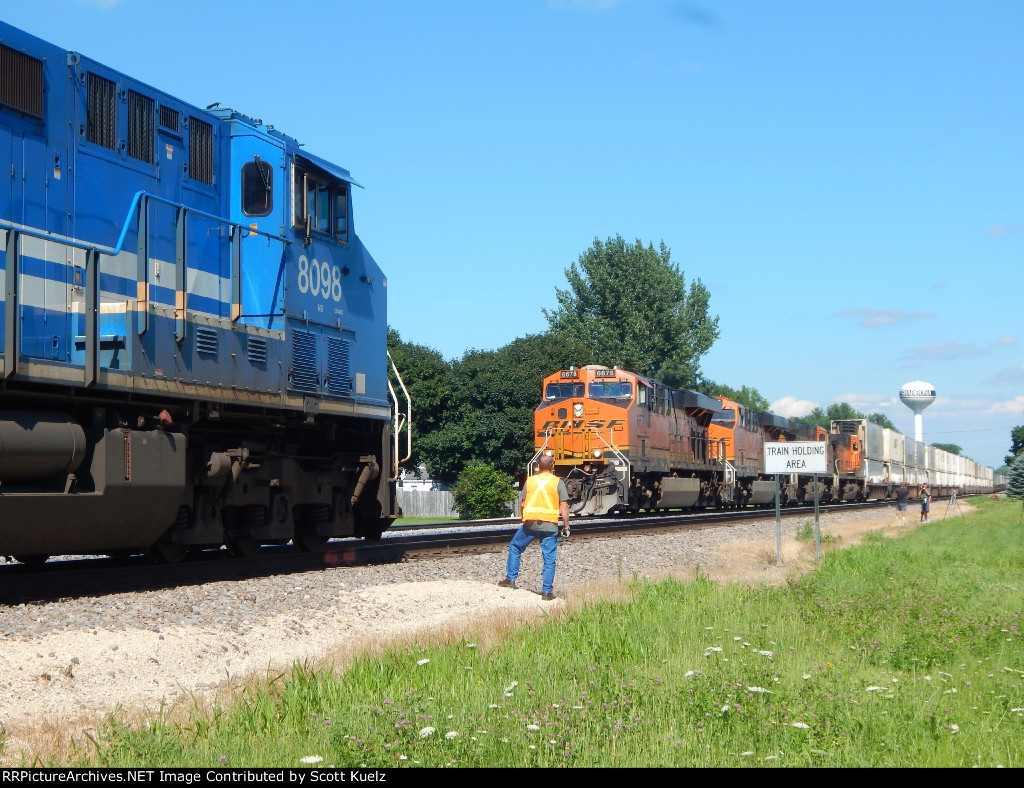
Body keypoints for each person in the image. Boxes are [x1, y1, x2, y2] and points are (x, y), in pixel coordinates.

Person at [498, 454, 569, 601]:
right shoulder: (558, 482)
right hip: (550, 525)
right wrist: (566, 526)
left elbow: (523, 503)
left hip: (530, 524)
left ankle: (510, 580)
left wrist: (526, 517)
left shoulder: (530, 481)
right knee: (549, 559)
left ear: (538, 466)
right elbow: (564, 506)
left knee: (515, 547)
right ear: (553, 466)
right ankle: (546, 592)